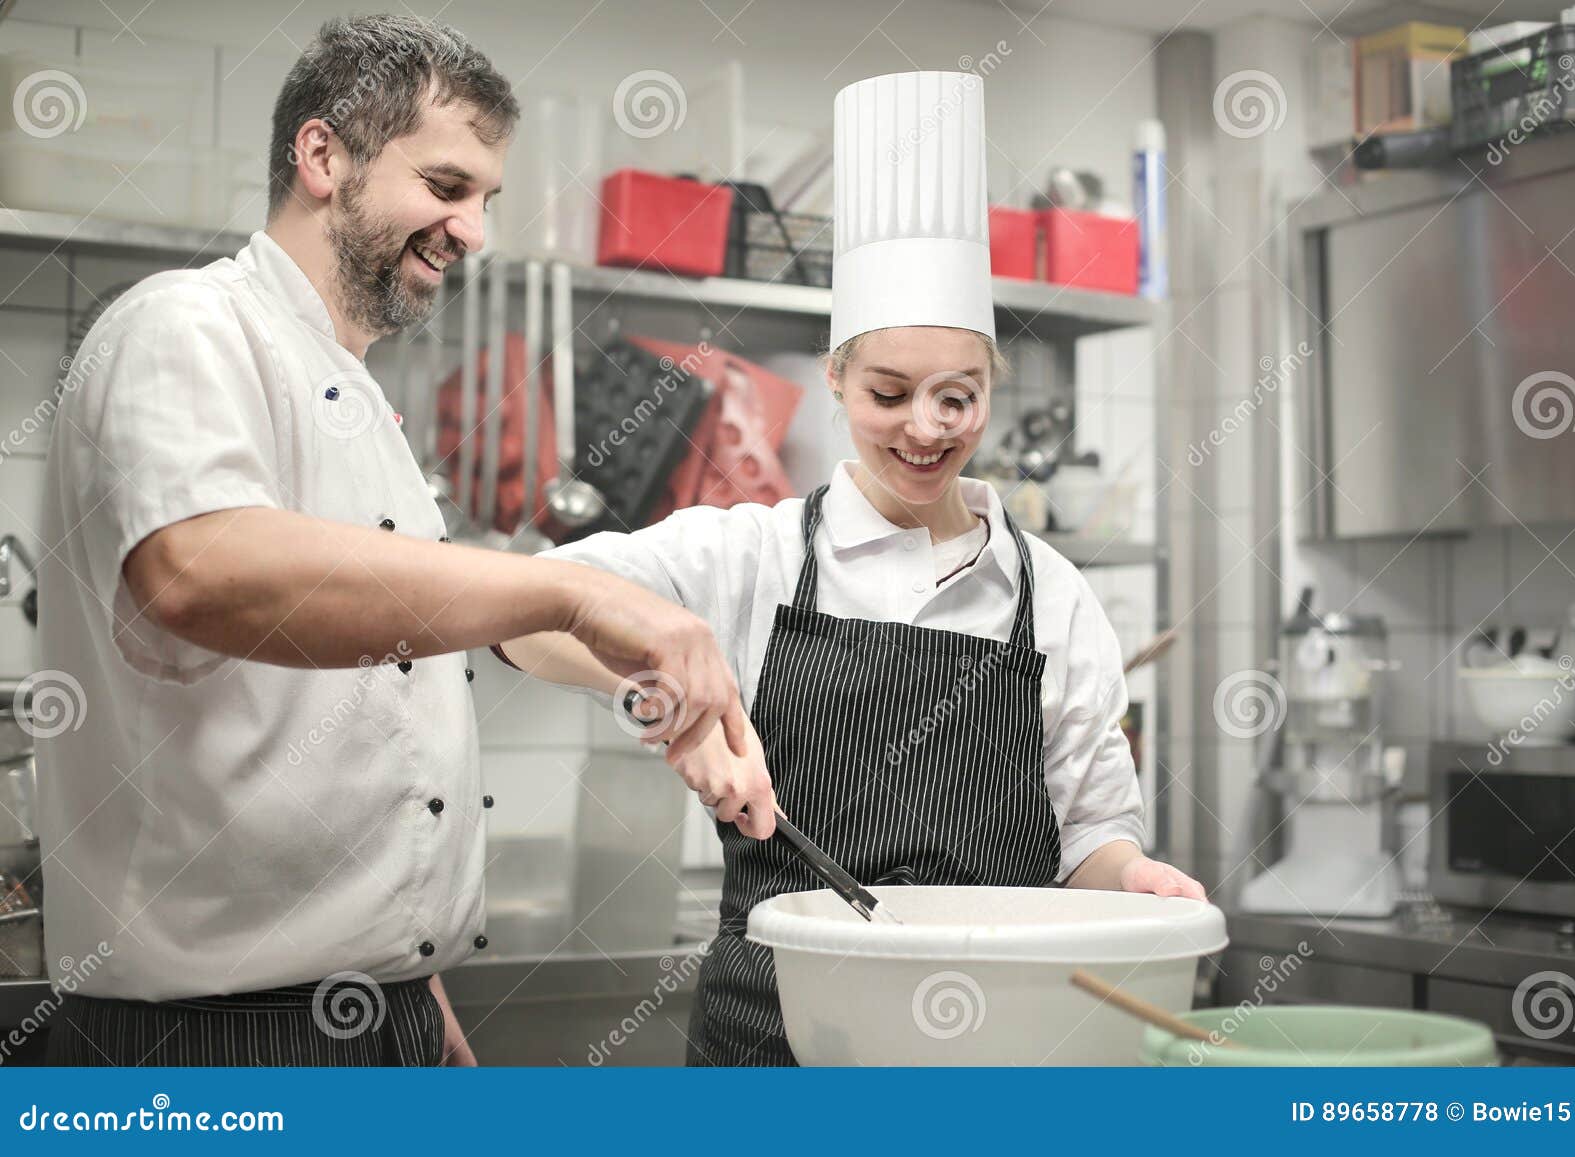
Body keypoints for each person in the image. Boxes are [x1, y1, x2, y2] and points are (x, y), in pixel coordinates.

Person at [34, 15, 743, 1067]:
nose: (475, 231)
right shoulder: (184, 325)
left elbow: (383, 674)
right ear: (324, 156)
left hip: (377, 1011)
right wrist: (571, 594)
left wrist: (408, 974)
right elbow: (199, 570)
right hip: (212, 1040)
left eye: (486, 201)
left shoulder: (363, 400)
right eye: (448, 187)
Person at [492, 71, 1204, 1067]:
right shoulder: (751, 552)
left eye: (956, 398)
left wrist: (1132, 882)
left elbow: (1091, 835)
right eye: (888, 391)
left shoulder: (1051, 595)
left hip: (995, 1049)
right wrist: (663, 686)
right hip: (772, 1048)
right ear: (834, 380)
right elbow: (517, 616)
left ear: (990, 388)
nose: (924, 427)